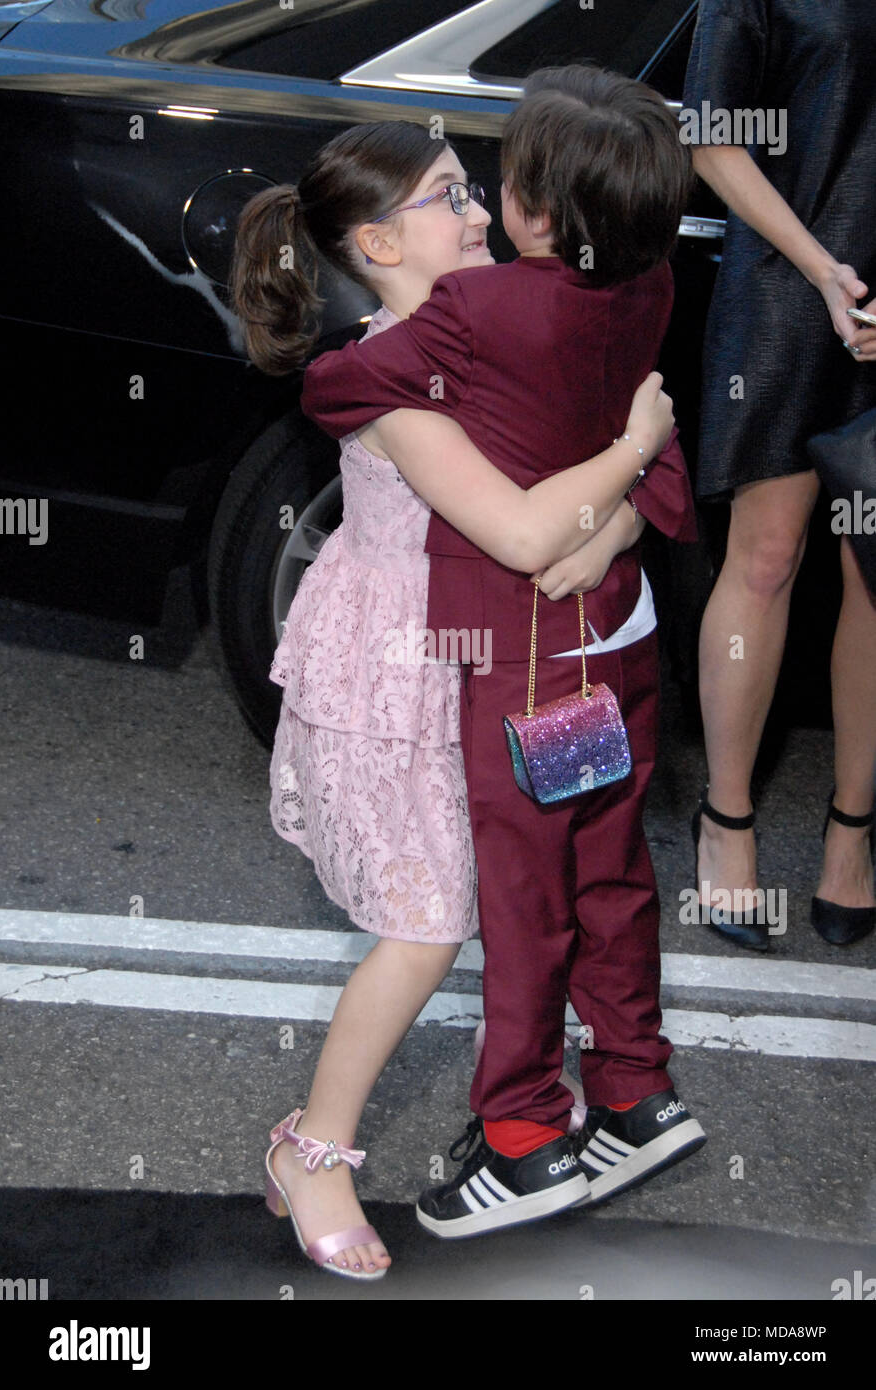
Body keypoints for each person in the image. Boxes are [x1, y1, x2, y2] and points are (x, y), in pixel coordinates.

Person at [230, 116, 679, 1279]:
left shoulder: (494, 327)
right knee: (426, 925)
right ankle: (311, 1151)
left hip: (511, 666)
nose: (480, 211)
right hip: (397, 676)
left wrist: (621, 510)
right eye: (446, 197)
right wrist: (633, 451)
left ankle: (550, 1108)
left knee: (542, 889)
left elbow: (574, 498)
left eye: (472, 189)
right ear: (377, 242)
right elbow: (530, 523)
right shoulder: (397, 379)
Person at [682, 0, 876, 951]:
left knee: (872, 574)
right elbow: (710, 140)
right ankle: (725, 824)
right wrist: (827, 275)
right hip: (791, 290)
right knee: (765, 558)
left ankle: (851, 832)